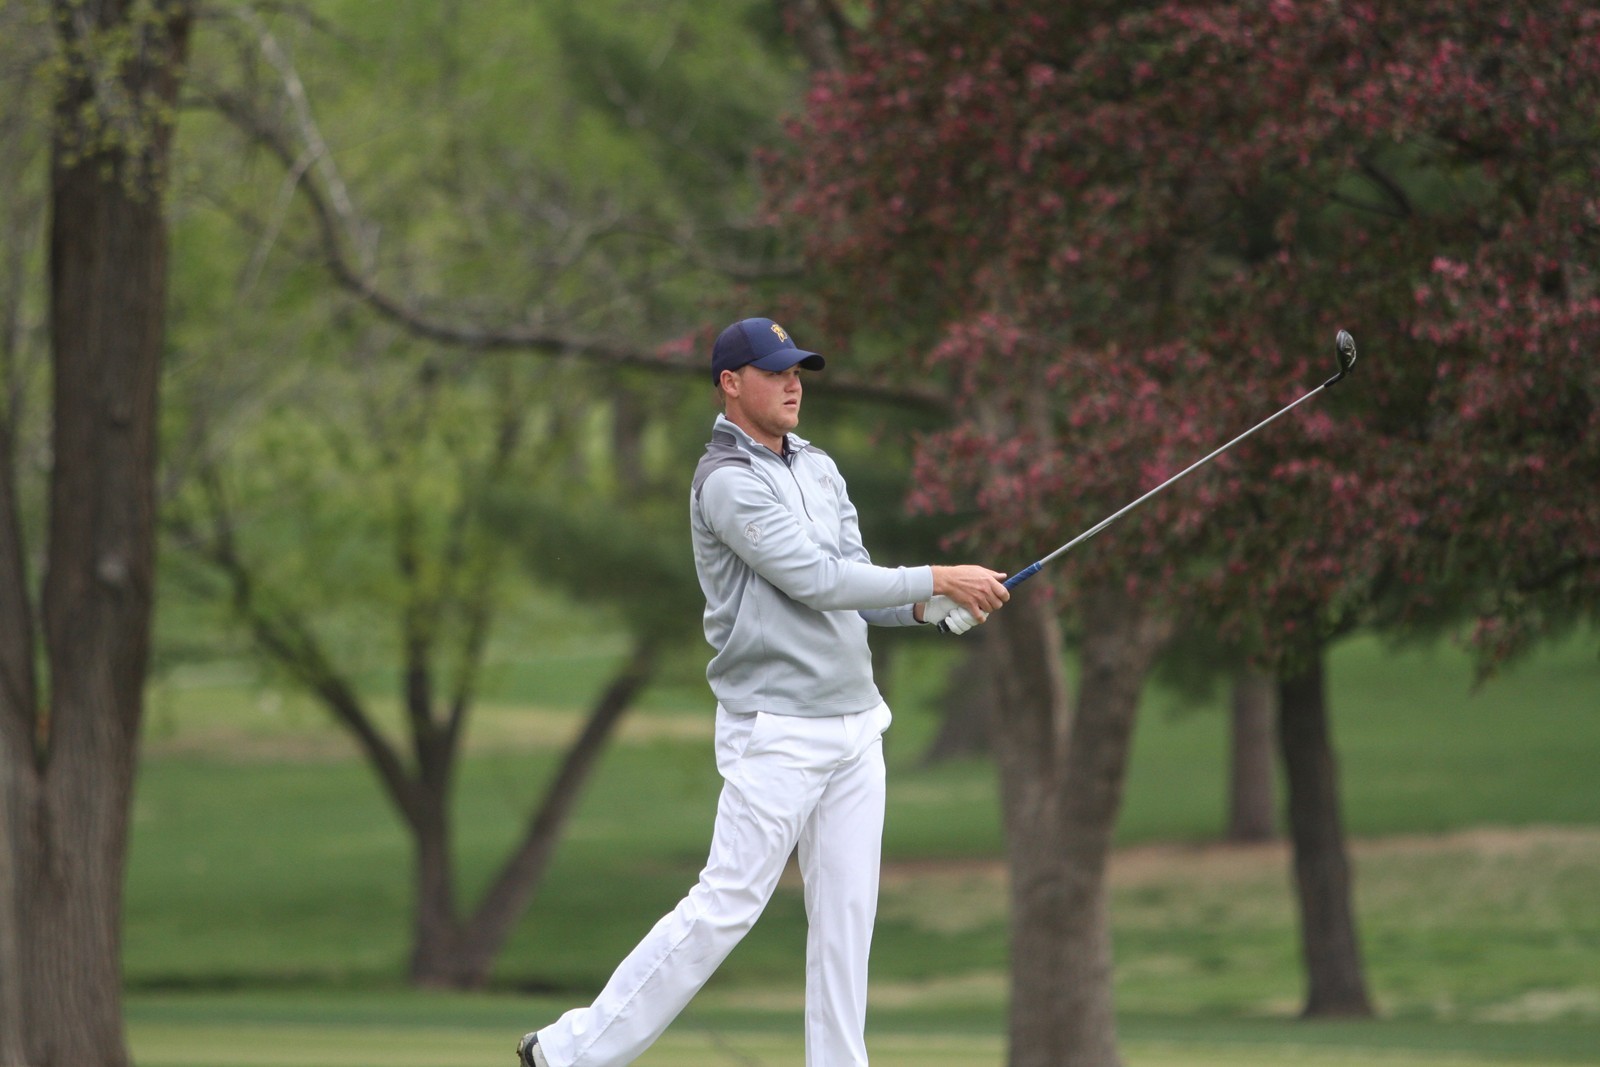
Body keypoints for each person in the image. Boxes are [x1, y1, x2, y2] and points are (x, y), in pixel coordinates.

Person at [518, 317, 1009, 1067]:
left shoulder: (817, 467)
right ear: (729, 383)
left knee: (847, 923)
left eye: (799, 371)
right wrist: (940, 576)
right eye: (776, 370)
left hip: (854, 726)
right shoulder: (725, 483)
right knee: (724, 906)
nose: (793, 383)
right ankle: (570, 1051)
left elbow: (858, 582)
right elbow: (815, 581)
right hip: (777, 727)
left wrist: (921, 606)